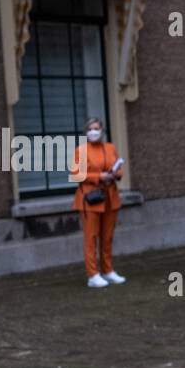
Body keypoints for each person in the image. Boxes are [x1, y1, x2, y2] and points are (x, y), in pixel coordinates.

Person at [70, 117, 125, 288]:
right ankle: (92, 274)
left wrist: (114, 174)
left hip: (110, 196)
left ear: (102, 130)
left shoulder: (110, 148)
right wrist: (98, 177)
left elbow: (119, 168)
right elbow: (75, 174)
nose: (94, 131)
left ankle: (108, 270)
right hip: (90, 198)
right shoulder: (81, 150)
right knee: (91, 237)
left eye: (97, 128)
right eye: (90, 129)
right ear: (86, 132)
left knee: (107, 236)